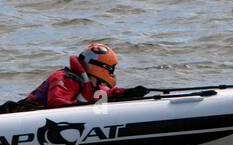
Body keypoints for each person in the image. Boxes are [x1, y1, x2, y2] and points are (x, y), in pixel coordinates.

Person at [14, 43, 148, 110]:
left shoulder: (92, 85)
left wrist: (129, 93)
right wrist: (84, 106)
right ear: (100, 68)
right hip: (25, 112)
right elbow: (56, 103)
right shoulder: (64, 78)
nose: (112, 74)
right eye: (111, 69)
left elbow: (108, 93)